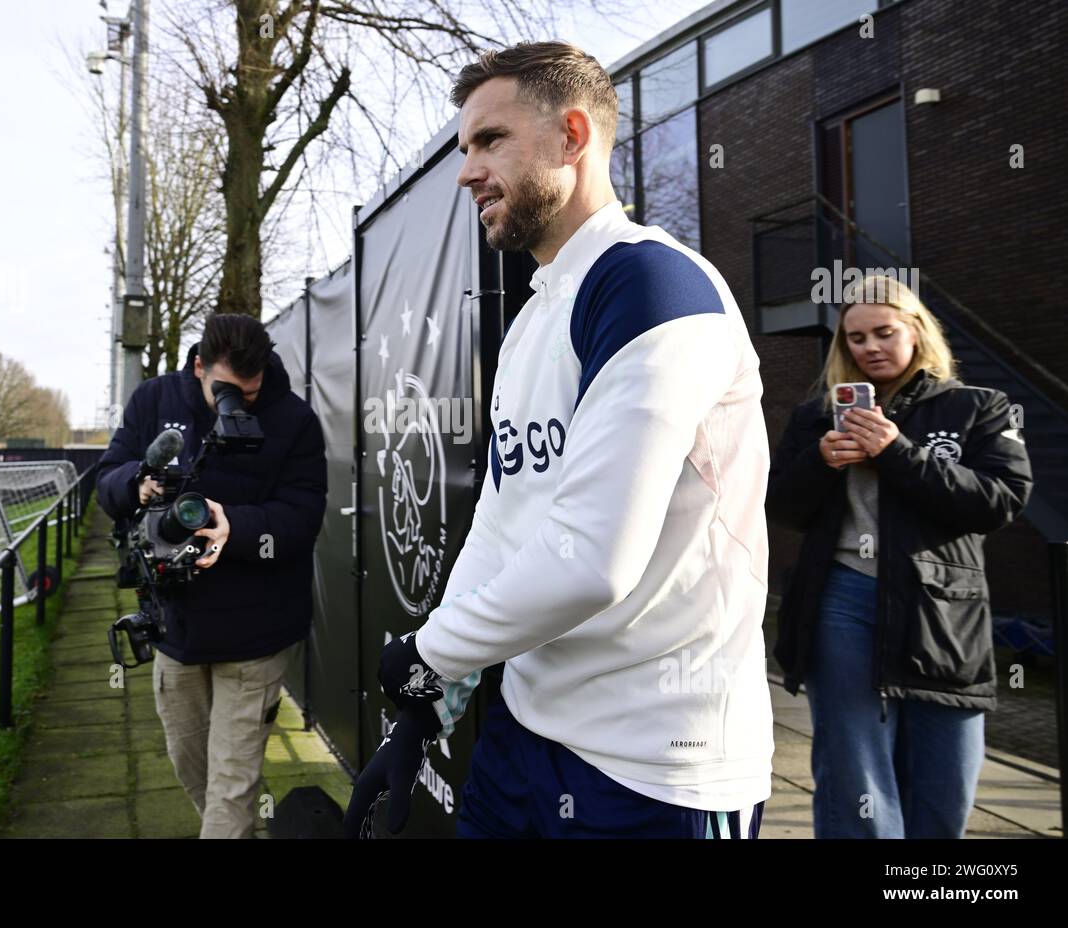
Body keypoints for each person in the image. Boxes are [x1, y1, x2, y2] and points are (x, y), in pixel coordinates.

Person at [345, 41, 773, 839]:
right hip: (523, 737)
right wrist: (429, 708)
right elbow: (504, 533)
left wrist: (428, 652)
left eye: (489, 141)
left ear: (572, 137)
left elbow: (592, 560)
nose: (467, 170)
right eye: (465, 147)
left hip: (655, 768)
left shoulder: (652, 283)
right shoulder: (536, 314)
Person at [766, 274, 1033, 838]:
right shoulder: (817, 416)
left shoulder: (979, 408)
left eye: (884, 333)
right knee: (854, 769)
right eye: (855, 340)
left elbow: (1000, 501)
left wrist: (897, 453)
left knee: (946, 774)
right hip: (841, 597)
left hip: (942, 610)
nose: (870, 348)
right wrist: (821, 462)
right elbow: (781, 506)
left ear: (916, 330)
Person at [95, 313, 327, 838]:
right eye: (226, 390)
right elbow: (106, 479)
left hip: (257, 634)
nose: (240, 404)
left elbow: (303, 515)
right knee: (192, 764)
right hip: (175, 627)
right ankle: (250, 823)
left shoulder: (294, 421)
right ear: (198, 367)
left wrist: (234, 528)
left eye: (251, 392)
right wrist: (137, 484)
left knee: (230, 782)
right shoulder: (153, 401)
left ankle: (239, 821)